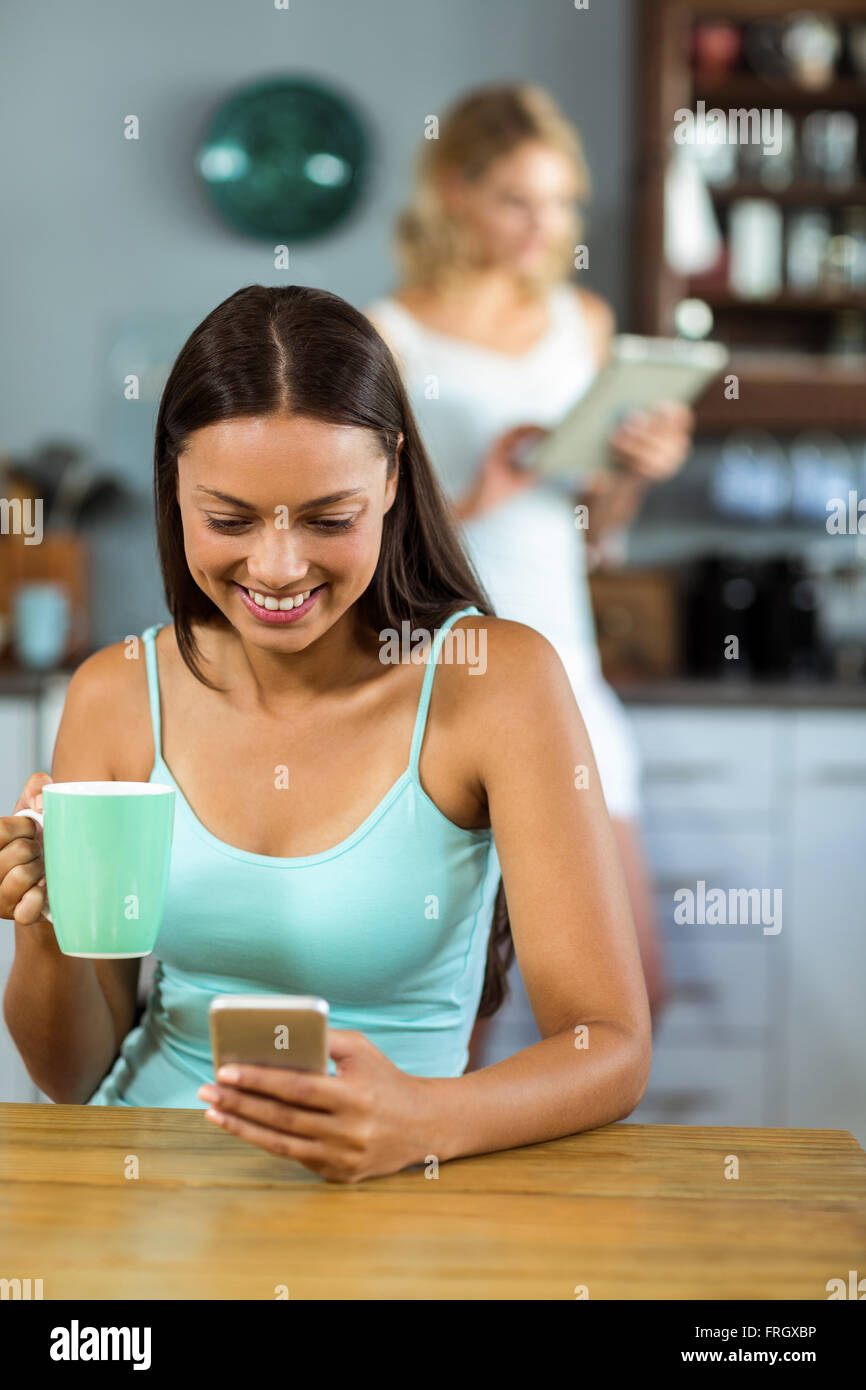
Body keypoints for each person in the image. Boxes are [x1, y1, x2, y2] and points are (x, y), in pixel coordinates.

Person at [1, 284, 650, 1183]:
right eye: (227, 519)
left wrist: (424, 1119)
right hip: (141, 1181)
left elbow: (609, 1046)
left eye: (328, 518)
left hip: (394, 1192)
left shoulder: (493, 684)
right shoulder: (117, 693)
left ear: (390, 479)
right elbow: (70, 1077)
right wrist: (43, 927)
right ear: (174, 487)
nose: (276, 566)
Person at [365, 84, 695, 1032]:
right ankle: (437, 1169)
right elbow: (357, 533)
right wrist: (476, 502)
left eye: (558, 202)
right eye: (517, 198)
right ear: (455, 192)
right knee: (454, 1002)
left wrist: (633, 471)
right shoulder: (390, 332)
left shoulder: (582, 322)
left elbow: (597, 528)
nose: (541, 224)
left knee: (631, 991)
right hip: (442, 672)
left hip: (567, 666)